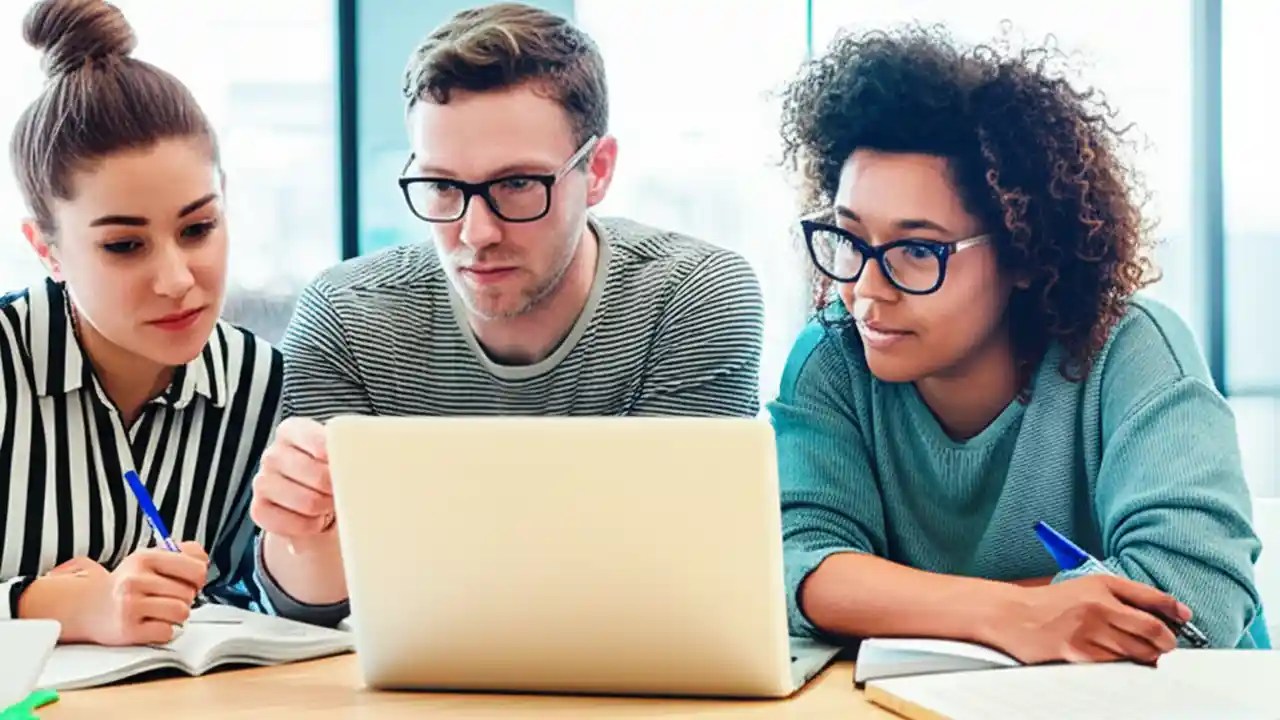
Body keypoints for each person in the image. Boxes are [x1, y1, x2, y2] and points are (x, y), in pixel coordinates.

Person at [249, 2, 764, 625]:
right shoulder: (348, 314)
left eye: (517, 184)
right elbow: (315, 611)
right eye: (441, 186)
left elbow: (684, 577)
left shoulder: (691, 297)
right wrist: (302, 530)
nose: (475, 232)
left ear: (597, 171)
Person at [771, 25, 1262, 663]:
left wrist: (891, 602)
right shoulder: (831, 359)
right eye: (848, 238)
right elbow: (796, 564)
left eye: (917, 251)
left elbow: (1197, 596)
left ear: (1024, 255)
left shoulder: (1133, 352)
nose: (865, 289)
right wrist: (1017, 614)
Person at [1, 0, 282, 645]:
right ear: (46, 250)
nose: (178, 279)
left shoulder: (258, 384)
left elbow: (262, 603)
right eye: (125, 245)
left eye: (198, 228)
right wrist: (65, 607)